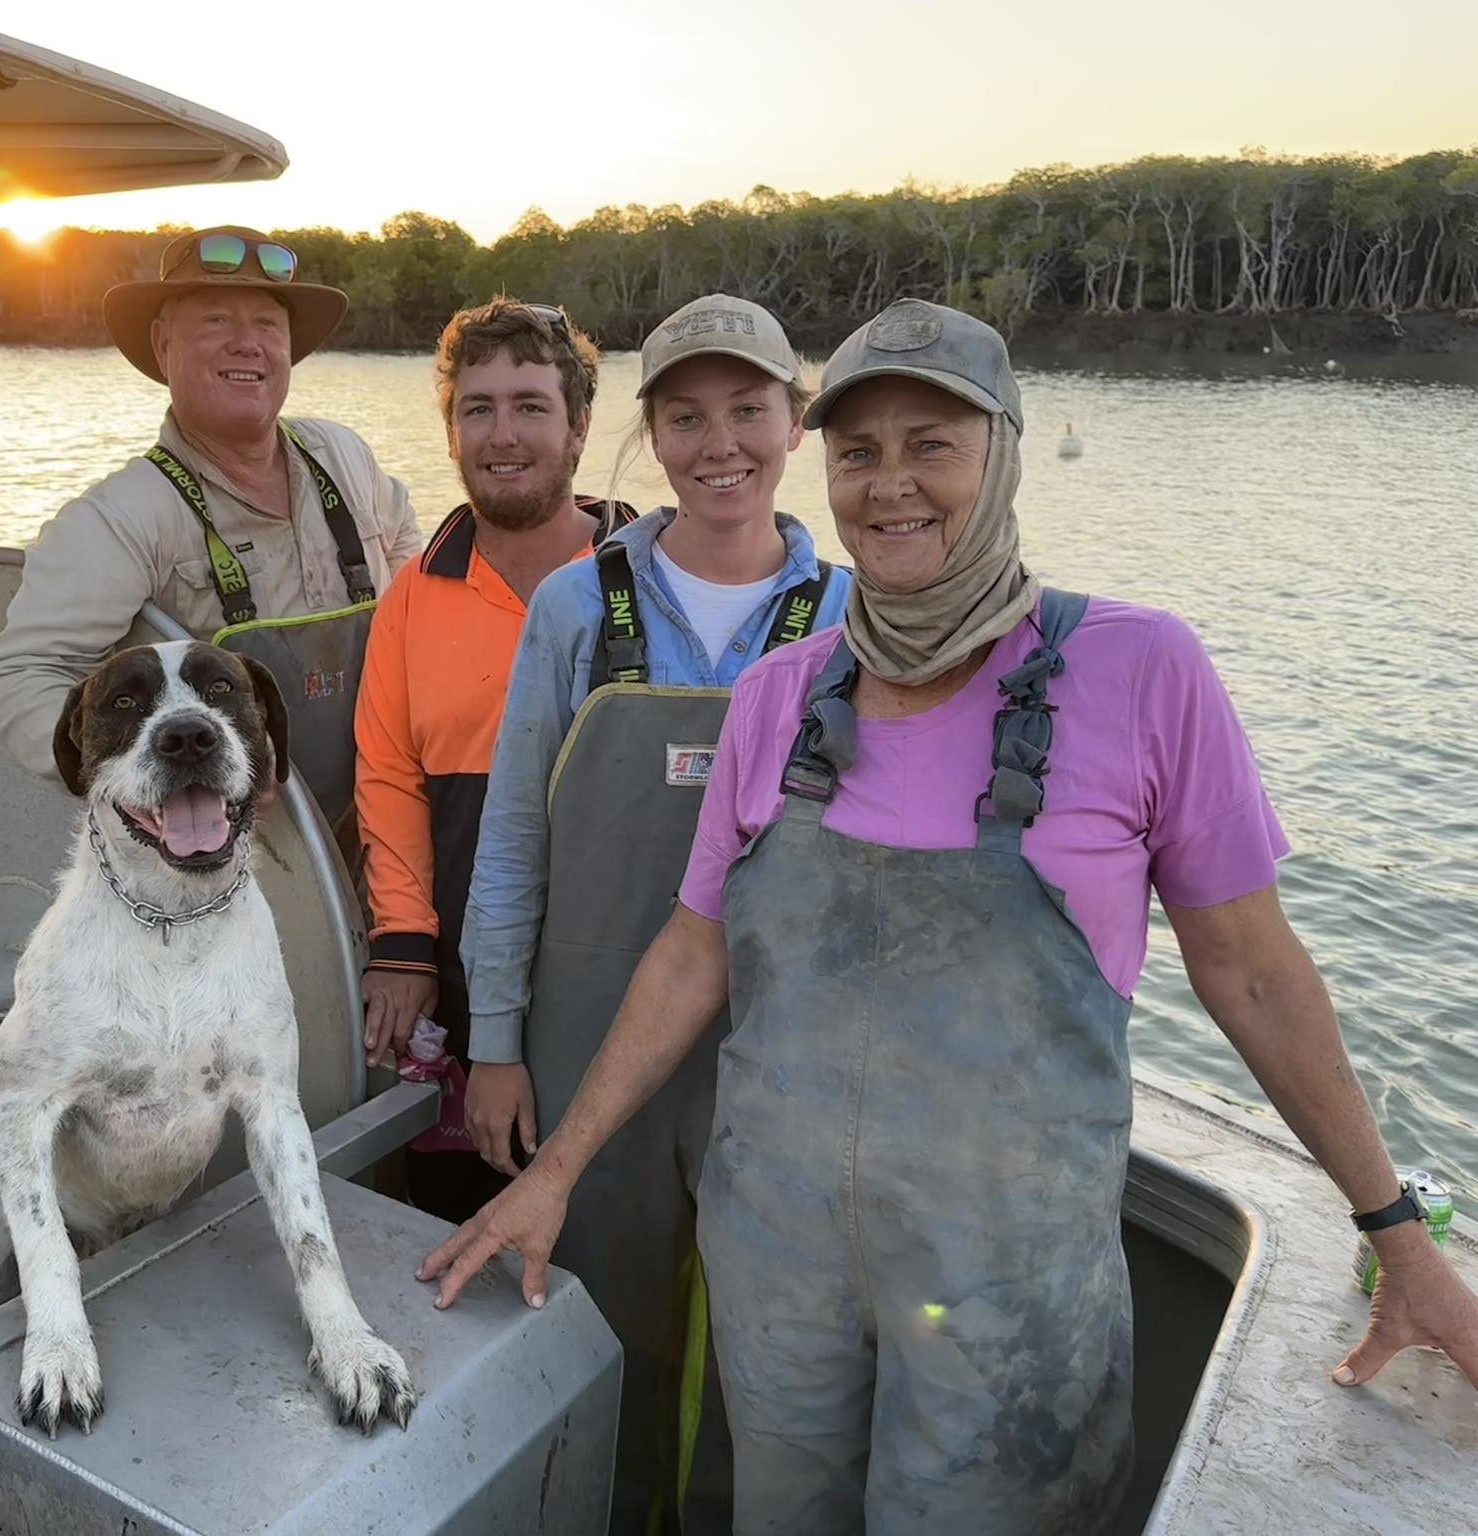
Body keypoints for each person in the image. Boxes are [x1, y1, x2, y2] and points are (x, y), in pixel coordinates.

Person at [422, 298, 1478, 1534]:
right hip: (780, 1292)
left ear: (1006, 452)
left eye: (932, 444)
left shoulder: (1141, 671)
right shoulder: (779, 693)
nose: (889, 486)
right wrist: (554, 1171)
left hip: (1005, 1307)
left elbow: (1250, 976)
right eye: (858, 451)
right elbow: (690, 950)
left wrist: (1397, 1241)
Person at [458, 294, 853, 1531]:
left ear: (794, 423)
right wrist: (494, 1042)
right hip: (588, 1048)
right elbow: (514, 835)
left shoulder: (854, 619)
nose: (717, 442)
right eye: (684, 417)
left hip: (778, 1054)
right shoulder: (578, 608)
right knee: (590, 1330)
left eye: (747, 410)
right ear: (649, 434)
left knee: (769, 1354)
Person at [0, 226, 422, 836]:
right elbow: (15, 677)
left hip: (384, 814)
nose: (248, 345)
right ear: (163, 346)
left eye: (268, 325)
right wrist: (136, 771)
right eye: (215, 321)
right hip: (223, 847)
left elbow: (406, 550)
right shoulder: (122, 516)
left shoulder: (342, 455)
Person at [354, 298, 630, 1223]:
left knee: (614, 1214)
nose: (502, 434)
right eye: (478, 408)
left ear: (581, 425)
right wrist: (402, 946)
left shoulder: (656, 570)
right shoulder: (414, 594)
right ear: (450, 431)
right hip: (469, 971)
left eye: (530, 405)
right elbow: (388, 775)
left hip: (627, 964)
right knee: (462, 1214)